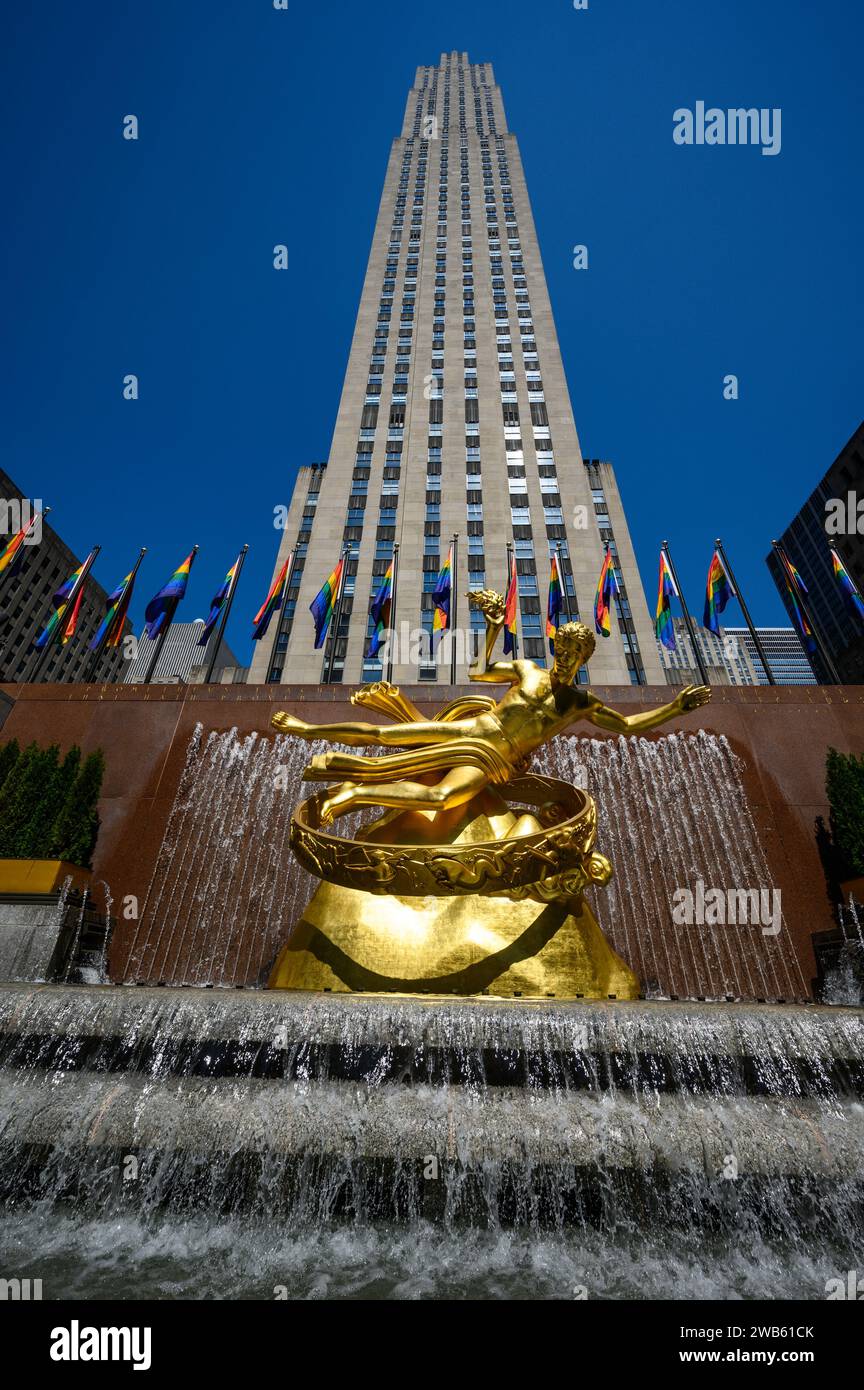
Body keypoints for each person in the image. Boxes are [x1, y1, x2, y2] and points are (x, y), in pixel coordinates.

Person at [272, 588, 710, 826]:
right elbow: (479, 670)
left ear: (584, 659)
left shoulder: (581, 702)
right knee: (386, 736)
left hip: (497, 759)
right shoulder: (527, 669)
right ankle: (306, 729)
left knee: (442, 797)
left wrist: (675, 708)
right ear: (556, 647)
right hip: (474, 730)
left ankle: (355, 793)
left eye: (575, 652)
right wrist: (493, 627)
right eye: (563, 647)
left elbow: (630, 725)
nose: (566, 656)